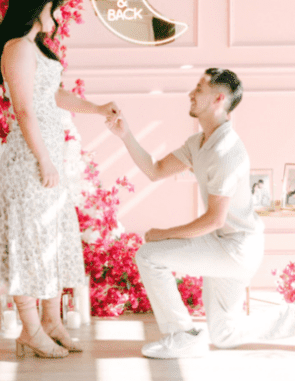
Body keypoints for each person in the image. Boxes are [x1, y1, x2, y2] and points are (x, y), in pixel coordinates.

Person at [0, 0, 119, 358]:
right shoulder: (16, 48)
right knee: (30, 241)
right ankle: (30, 329)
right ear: (40, 7)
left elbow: (53, 96)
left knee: (53, 238)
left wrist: (96, 108)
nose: (59, 17)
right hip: (31, 160)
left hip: (47, 159)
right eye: (55, 8)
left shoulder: (37, 50)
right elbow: (25, 109)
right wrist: (44, 160)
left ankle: (52, 321)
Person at [108, 68, 264, 358]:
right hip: (228, 244)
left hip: (236, 249)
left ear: (218, 98)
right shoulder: (199, 144)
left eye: (199, 89)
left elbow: (215, 218)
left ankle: (183, 335)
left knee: (149, 255)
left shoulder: (226, 151)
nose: (191, 94)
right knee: (225, 335)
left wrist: (162, 235)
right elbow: (155, 170)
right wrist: (125, 135)